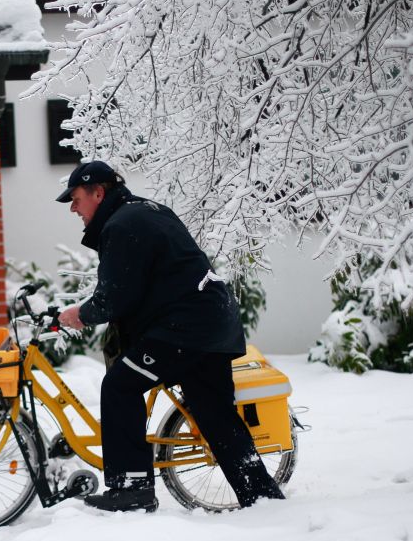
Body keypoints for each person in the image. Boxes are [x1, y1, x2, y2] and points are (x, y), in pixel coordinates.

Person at [55, 161, 285, 513]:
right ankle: (262, 496)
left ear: (98, 193)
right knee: (215, 415)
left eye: (75, 199)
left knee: (120, 386)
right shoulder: (147, 211)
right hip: (211, 321)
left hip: (184, 328)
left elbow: (117, 296)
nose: (73, 208)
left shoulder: (121, 225)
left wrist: (81, 314)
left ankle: (132, 487)